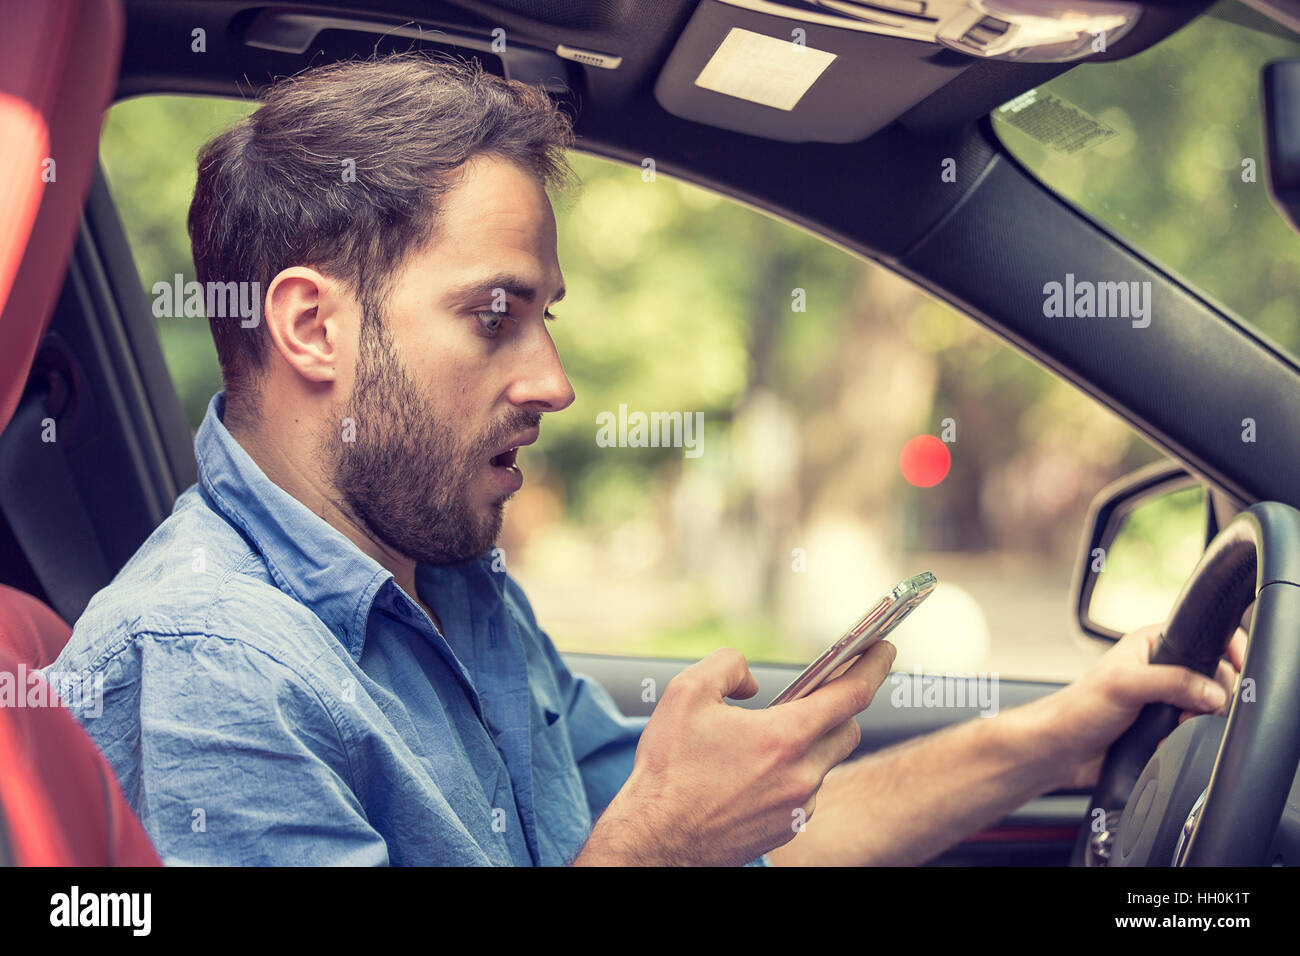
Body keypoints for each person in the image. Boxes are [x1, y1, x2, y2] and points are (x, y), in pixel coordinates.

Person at [41, 54, 1240, 866]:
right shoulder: (207, 672)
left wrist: (1057, 733)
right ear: (314, 326)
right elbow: (669, 841)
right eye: (494, 312)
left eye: (546, 315)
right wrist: (659, 843)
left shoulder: (447, 578)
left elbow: (747, 841)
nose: (554, 380)